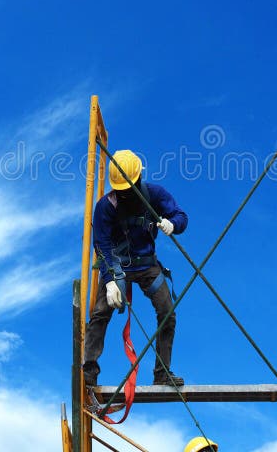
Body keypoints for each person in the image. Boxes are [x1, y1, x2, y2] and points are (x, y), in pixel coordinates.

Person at [83, 149, 188, 388]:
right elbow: (102, 243)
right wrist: (109, 279)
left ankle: (162, 372)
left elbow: (181, 215)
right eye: (121, 190)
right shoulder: (106, 207)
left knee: (167, 313)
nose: (126, 194)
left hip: (146, 265)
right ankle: (88, 371)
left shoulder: (154, 195)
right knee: (100, 313)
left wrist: (173, 224)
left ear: (139, 178)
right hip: (117, 265)